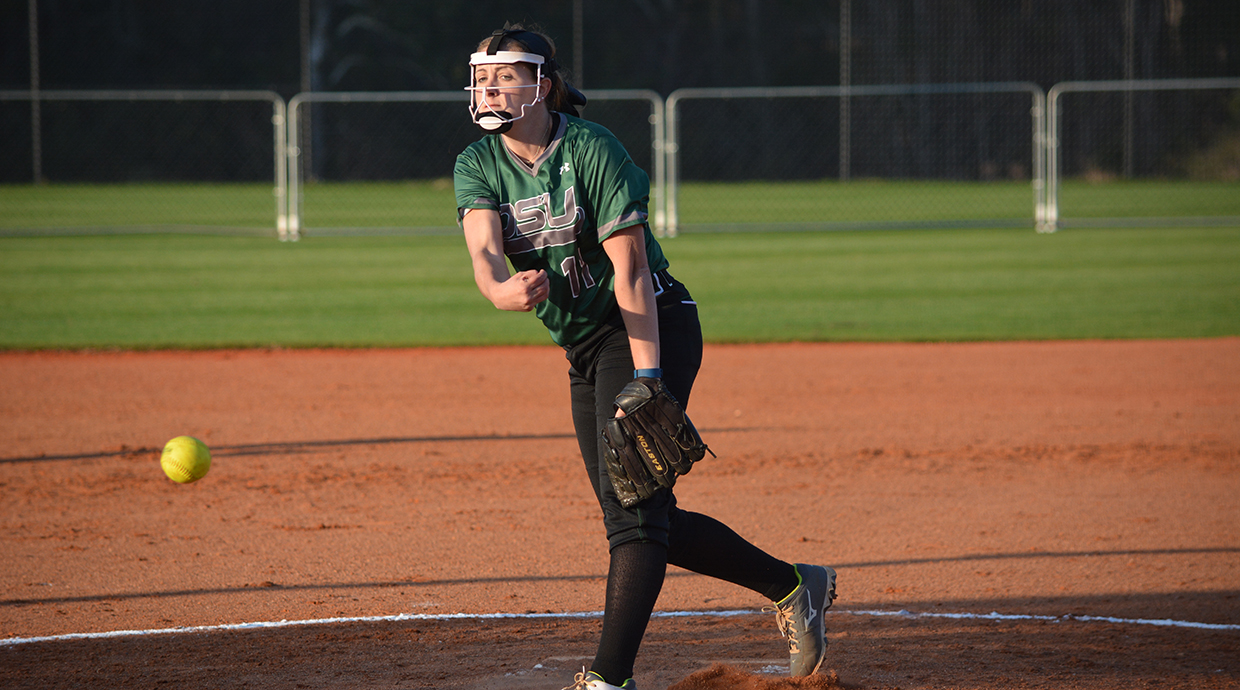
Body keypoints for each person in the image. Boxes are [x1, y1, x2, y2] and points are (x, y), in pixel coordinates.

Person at [453, 24, 837, 690]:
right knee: (637, 510)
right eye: (483, 76)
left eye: (507, 74)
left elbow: (630, 273)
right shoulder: (478, 163)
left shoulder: (593, 149)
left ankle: (609, 679)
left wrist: (650, 379)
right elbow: (485, 256)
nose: (491, 87)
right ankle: (796, 585)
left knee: (634, 515)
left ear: (544, 84)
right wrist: (502, 291)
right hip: (582, 344)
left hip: (646, 324)